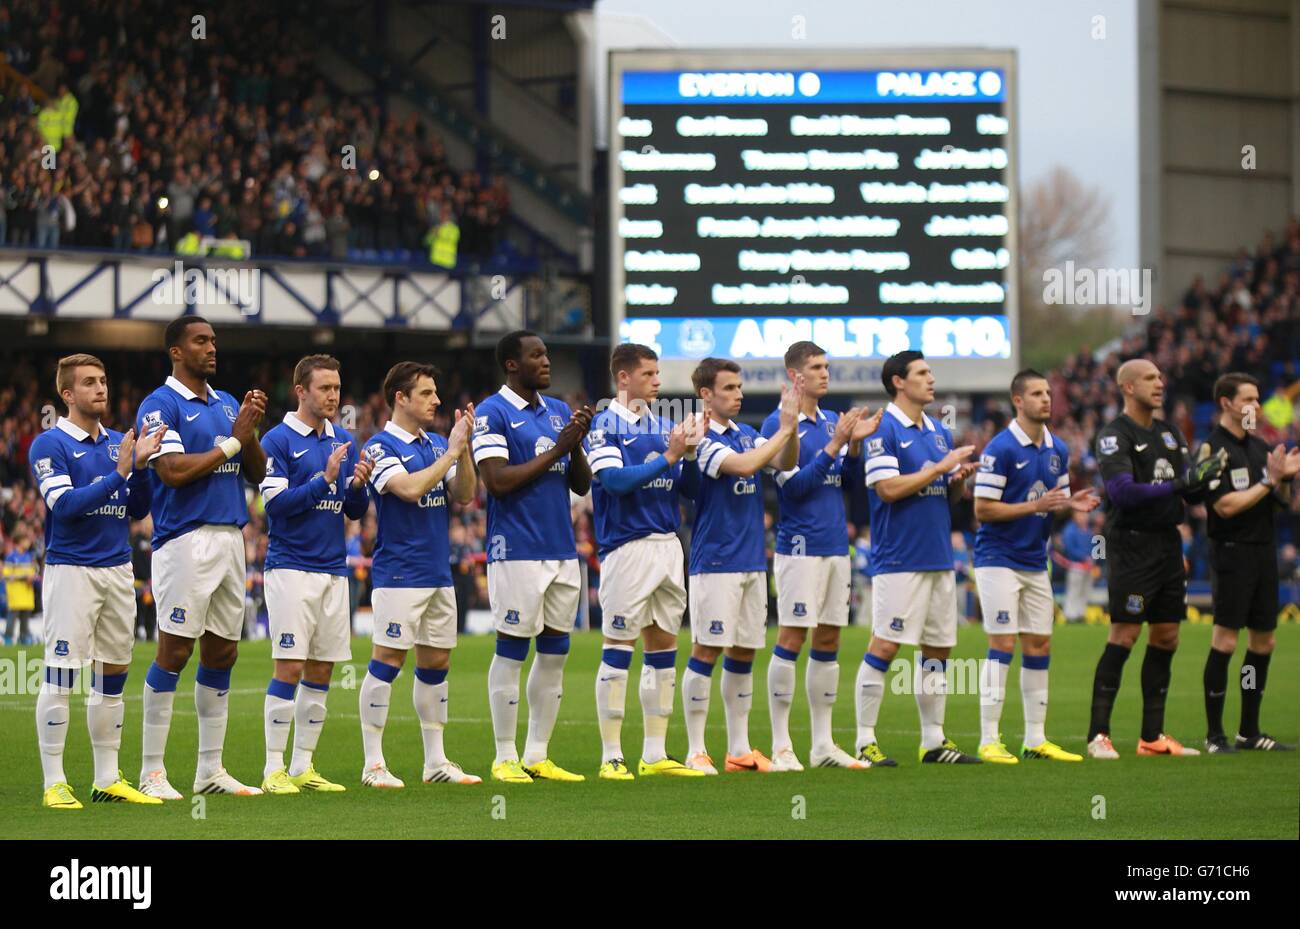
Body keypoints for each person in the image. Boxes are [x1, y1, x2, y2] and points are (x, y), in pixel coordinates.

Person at [135, 315, 269, 798]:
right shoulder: (160, 404)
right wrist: (232, 438)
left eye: (213, 340)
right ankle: (152, 772)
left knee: (223, 652)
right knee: (175, 649)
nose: (212, 347)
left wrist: (248, 432)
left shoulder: (228, 402)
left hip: (232, 536)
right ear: (176, 351)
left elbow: (256, 472)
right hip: (185, 540)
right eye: (200, 340)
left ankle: (210, 770)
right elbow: (170, 471)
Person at [28, 353, 164, 808]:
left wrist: (140, 469)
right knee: (62, 675)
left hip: (117, 569)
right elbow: (64, 506)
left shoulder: (116, 444)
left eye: (103, 380)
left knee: (112, 675)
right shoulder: (49, 445)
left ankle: (106, 778)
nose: (101, 389)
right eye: (89, 383)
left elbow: (138, 510)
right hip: (72, 571)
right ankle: (54, 782)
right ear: (67, 394)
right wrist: (121, 471)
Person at [1086, 358, 1225, 759]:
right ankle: (1098, 734)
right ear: (1128, 387)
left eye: (1161, 376)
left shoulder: (1170, 433)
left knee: (1167, 635)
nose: (1160, 383)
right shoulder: (1114, 436)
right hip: (1131, 546)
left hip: (1168, 545)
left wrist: (1206, 478)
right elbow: (1123, 493)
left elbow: (1188, 492)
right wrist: (1183, 483)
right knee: (1125, 634)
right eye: (1150, 378)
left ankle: (1152, 736)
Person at [472, 331, 592, 784]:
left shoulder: (557, 411)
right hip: (517, 550)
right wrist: (560, 446)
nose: (546, 361)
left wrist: (574, 440)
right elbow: (497, 481)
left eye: (546, 354)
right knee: (512, 649)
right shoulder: (493, 412)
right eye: (536, 355)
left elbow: (579, 485)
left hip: (562, 549)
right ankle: (504, 756)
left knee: (556, 652)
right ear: (511, 365)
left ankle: (537, 754)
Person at [356, 362, 481, 788]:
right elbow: (409, 490)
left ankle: (435, 762)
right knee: (387, 662)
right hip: (399, 574)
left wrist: (463, 452)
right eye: (426, 393)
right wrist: (450, 452)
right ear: (401, 398)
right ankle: (373, 763)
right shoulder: (378, 446)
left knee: (436, 664)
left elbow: (464, 494)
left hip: (437, 572)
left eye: (435, 392)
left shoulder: (437, 443)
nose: (437, 400)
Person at [585, 343, 706, 780]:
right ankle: (611, 755)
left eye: (658, 374)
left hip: (668, 545)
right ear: (623, 377)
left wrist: (689, 455)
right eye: (650, 374)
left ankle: (654, 753)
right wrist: (670, 455)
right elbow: (614, 482)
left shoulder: (664, 426)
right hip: (627, 547)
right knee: (619, 648)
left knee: (663, 648)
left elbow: (689, 490)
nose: (658, 381)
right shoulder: (604, 425)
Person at [856, 350, 981, 765]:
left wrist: (957, 482)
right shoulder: (883, 429)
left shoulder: (936, 431)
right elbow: (888, 489)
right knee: (886, 646)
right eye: (922, 373)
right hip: (900, 558)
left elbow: (943, 495)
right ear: (898, 382)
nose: (931, 379)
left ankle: (933, 742)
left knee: (938, 650)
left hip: (938, 555)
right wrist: (940, 467)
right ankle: (863, 741)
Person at [761, 341, 881, 771]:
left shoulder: (831, 420)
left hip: (835, 545)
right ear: (796, 376)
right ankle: (781, 744)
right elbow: (792, 488)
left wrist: (852, 447)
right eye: (816, 367)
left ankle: (823, 744)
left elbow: (847, 483)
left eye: (826, 366)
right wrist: (834, 445)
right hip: (799, 547)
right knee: (792, 637)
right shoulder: (779, 422)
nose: (824, 373)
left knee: (829, 639)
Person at [257, 355, 374, 794]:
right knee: (289, 666)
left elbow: (354, 513)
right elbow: (276, 505)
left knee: (321, 670)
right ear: (300, 390)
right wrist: (324, 481)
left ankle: (303, 766)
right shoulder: (278, 440)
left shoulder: (344, 440)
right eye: (324, 388)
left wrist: (357, 486)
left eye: (337, 388)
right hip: (291, 568)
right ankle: (273, 769)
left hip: (332, 570)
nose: (333, 396)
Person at [679, 359, 800, 775]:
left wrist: (793, 425)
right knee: (707, 649)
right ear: (706, 395)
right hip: (716, 561)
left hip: (751, 559)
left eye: (739, 386)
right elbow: (747, 466)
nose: (739, 394)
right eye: (729, 387)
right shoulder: (700, 436)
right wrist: (784, 429)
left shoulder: (746, 433)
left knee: (744, 651)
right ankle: (695, 750)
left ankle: (739, 749)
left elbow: (784, 463)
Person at [972, 369, 1097, 764]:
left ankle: (1035, 739)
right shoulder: (1001, 448)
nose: (1047, 399)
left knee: (1040, 643)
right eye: (1037, 394)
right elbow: (982, 509)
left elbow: (1056, 495)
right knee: (1002, 643)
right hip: (998, 559)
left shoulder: (1058, 447)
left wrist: (1070, 503)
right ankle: (989, 739)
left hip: (1033, 560)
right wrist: (1035, 506)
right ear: (1018, 401)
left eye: (1048, 393)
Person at [1199, 373, 1300, 752]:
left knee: (1265, 642)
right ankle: (1214, 734)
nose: (1256, 407)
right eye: (1249, 400)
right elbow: (1224, 507)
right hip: (1231, 552)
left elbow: (1278, 504)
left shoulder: (1260, 448)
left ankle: (1249, 731)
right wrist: (1270, 483)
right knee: (1225, 641)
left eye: (1258, 400)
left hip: (1263, 551)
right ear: (1226, 404)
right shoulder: (1212, 451)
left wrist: (1286, 480)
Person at [3, 529, 39, 646]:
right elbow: (7, 575)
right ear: (19, 541)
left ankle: (23, 637)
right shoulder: (11, 557)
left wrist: (32, 577)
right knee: (12, 617)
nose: (28, 543)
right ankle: (8, 638)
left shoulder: (29, 556)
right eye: (26, 541)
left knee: (25, 618)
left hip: (27, 594)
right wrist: (24, 577)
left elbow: (34, 572)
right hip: (15, 593)